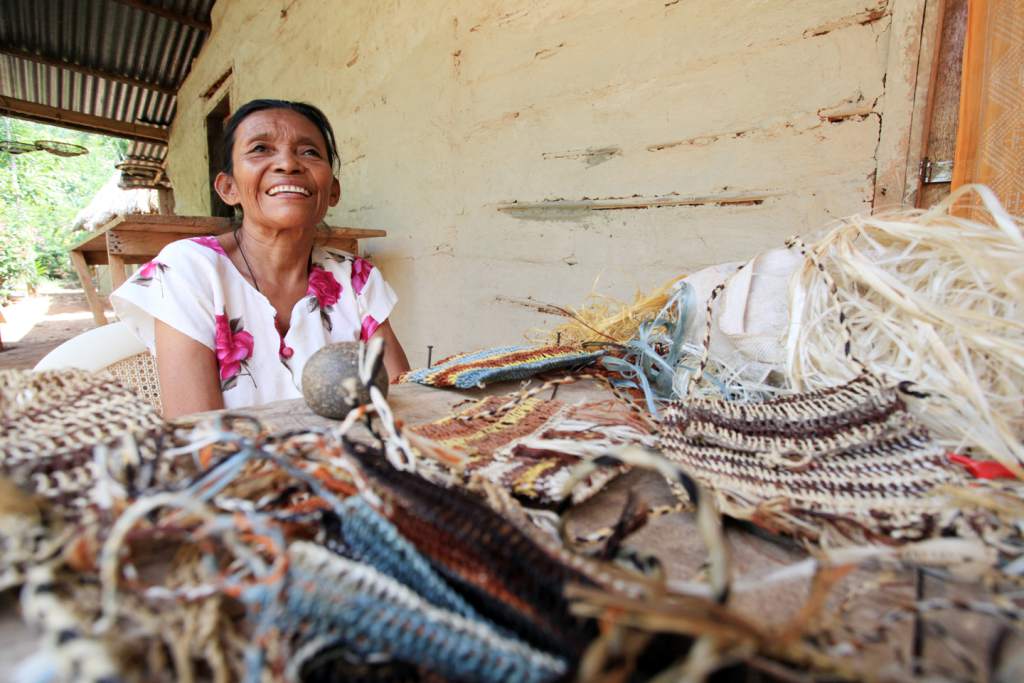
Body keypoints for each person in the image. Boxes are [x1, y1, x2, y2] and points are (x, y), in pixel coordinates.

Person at [112, 99, 409, 418]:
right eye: (260, 149)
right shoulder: (188, 270)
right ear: (228, 188)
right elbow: (199, 435)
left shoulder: (355, 277)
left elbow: (404, 401)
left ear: (332, 190)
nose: (288, 164)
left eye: (309, 152)